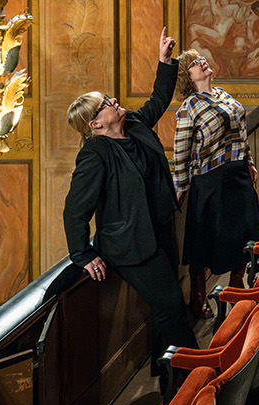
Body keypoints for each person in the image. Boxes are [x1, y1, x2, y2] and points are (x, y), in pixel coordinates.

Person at [62, 27, 197, 365]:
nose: (113, 102)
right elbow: (75, 209)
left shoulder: (134, 123)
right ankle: (196, 376)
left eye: (109, 98)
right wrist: (81, 254)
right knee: (172, 306)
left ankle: (168, 375)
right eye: (105, 105)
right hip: (131, 245)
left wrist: (164, 61)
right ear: (94, 124)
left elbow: (158, 100)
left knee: (167, 306)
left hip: (160, 228)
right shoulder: (94, 154)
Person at [172, 49, 259, 319]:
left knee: (245, 232)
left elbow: (241, 133)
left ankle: (237, 286)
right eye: (194, 63)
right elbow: (181, 152)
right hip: (210, 180)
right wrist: (180, 187)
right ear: (187, 77)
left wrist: (249, 161)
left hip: (238, 174)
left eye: (201, 58)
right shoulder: (189, 106)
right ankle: (197, 297)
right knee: (204, 239)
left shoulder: (222, 94)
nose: (202, 62)